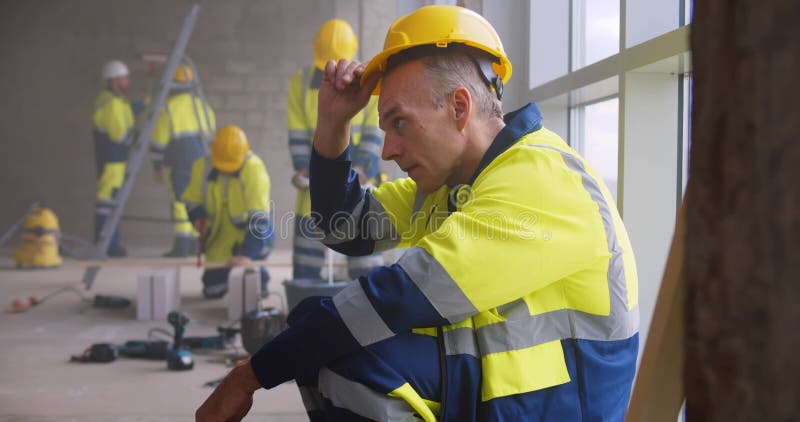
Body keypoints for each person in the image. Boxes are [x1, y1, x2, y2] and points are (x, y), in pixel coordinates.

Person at [197, 5, 639, 421]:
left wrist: (250, 376)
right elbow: (344, 227)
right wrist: (333, 124)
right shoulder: (460, 182)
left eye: (399, 122)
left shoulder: (540, 179)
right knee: (313, 324)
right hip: (510, 377)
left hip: (564, 401)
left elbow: (400, 296)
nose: (388, 150)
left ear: (459, 108)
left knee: (348, 351)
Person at [288, 18, 384, 280]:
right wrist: (303, 169)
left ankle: (368, 314)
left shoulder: (369, 82)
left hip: (361, 185)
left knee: (365, 264)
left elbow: (373, 133)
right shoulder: (301, 82)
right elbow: (296, 132)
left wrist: (362, 168)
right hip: (315, 184)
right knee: (307, 263)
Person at [181, 125, 273, 299]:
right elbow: (191, 201)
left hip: (248, 235)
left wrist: (247, 256)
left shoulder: (254, 169)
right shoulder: (202, 167)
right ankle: (227, 278)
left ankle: (260, 278)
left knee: (252, 292)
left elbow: (259, 218)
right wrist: (199, 220)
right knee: (212, 290)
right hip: (218, 238)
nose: (226, 169)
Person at [150, 64, 216, 257]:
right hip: (201, 159)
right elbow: (211, 135)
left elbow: (158, 141)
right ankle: (197, 244)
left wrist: (156, 166)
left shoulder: (167, 108)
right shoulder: (203, 106)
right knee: (196, 198)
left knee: (179, 201)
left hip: (177, 159)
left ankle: (181, 245)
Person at [92, 60, 147, 257]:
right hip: (112, 162)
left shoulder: (115, 101)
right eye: (124, 78)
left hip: (115, 161)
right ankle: (106, 245)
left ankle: (109, 243)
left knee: (111, 202)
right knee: (108, 203)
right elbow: (120, 135)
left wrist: (141, 105)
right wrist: (140, 137)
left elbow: (126, 113)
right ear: (114, 80)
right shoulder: (112, 104)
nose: (128, 81)